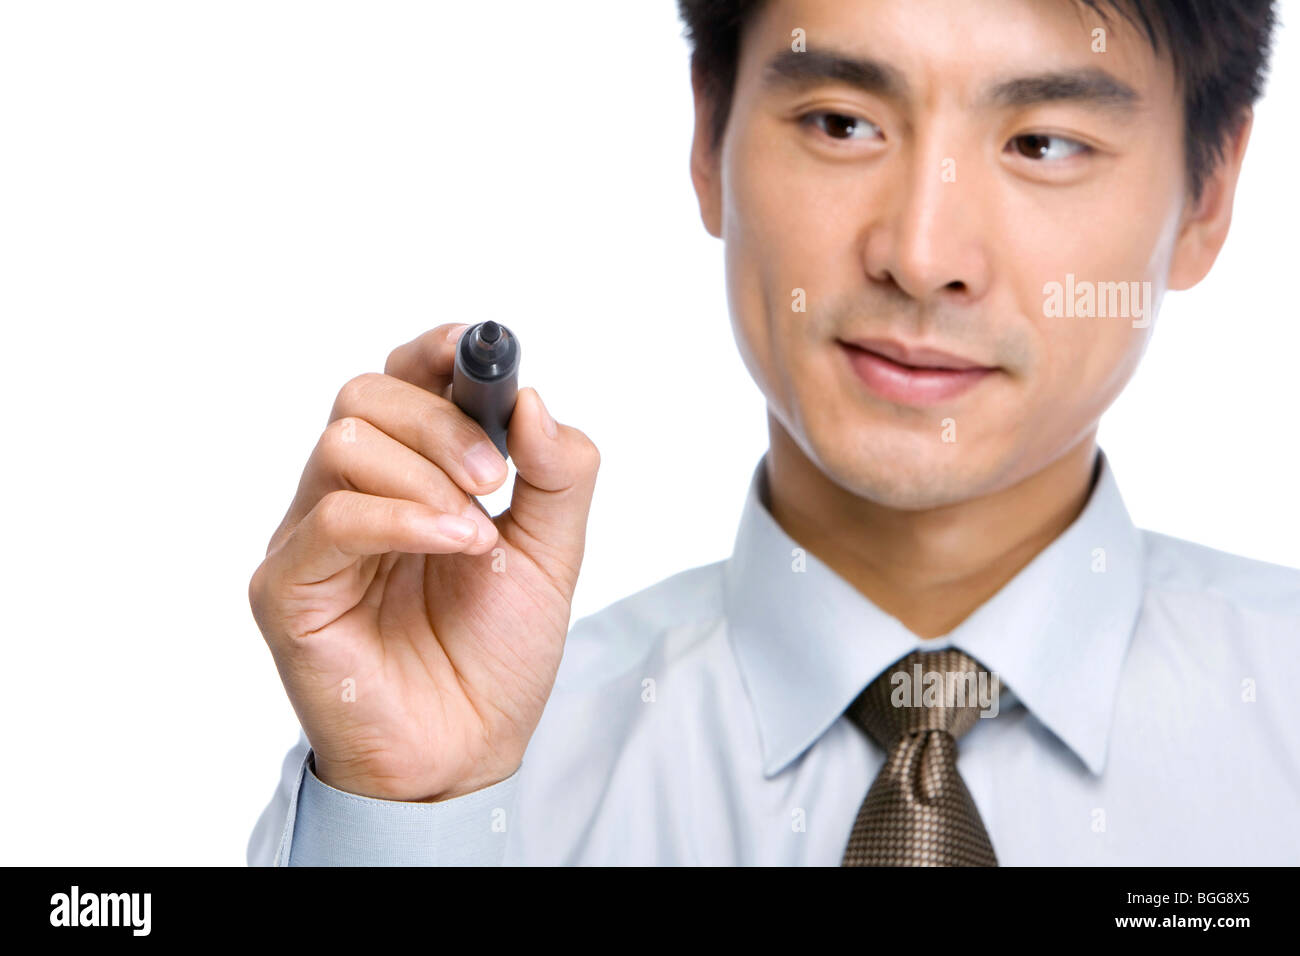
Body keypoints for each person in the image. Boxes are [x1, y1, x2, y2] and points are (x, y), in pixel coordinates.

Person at [247, 0, 1296, 866]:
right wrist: (410, 812)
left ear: (1207, 194)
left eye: (1043, 143)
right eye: (842, 122)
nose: (922, 255)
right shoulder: (477, 780)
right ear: (708, 136)